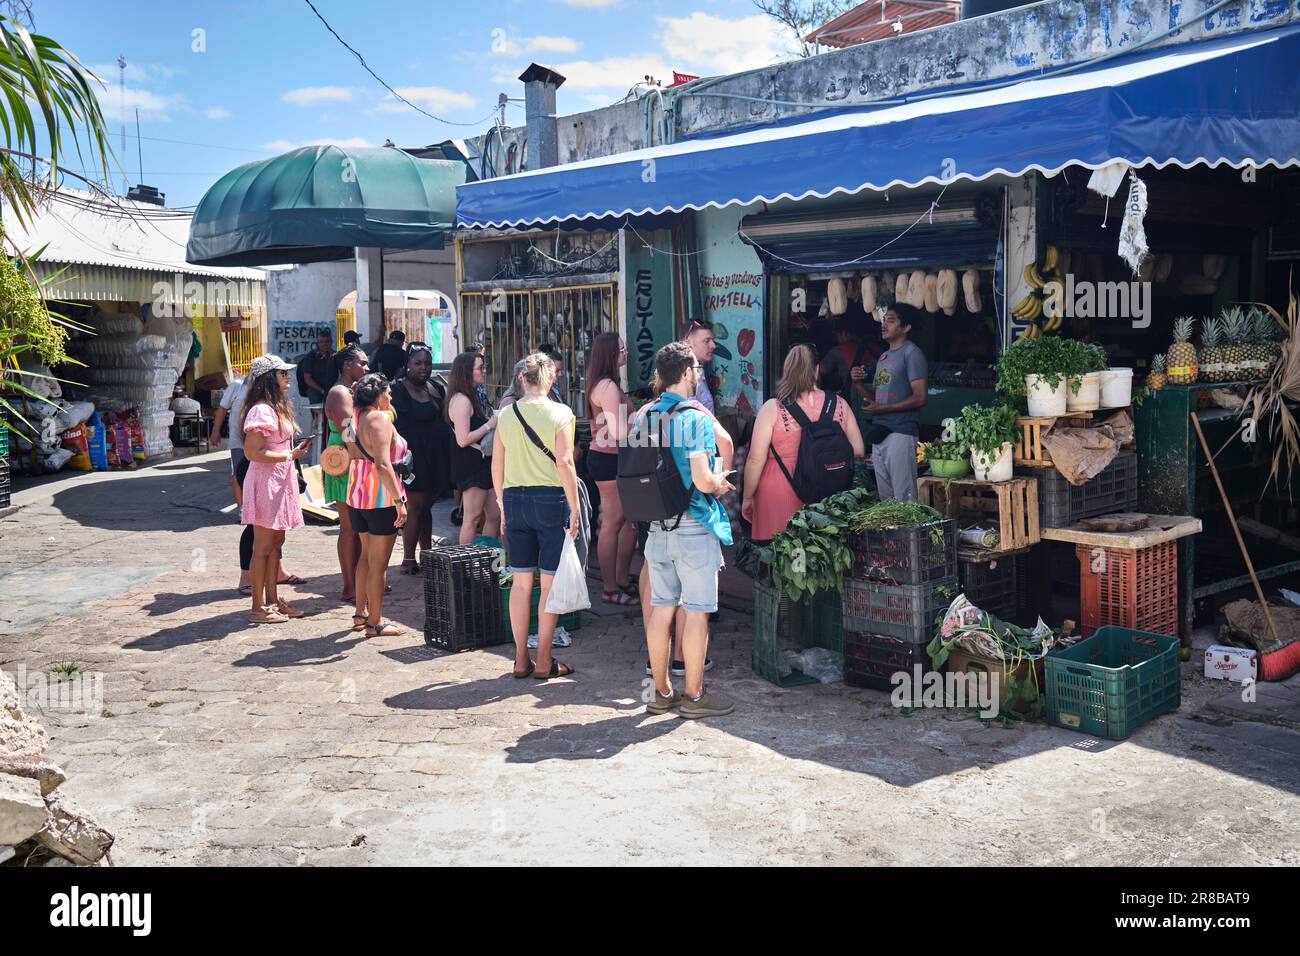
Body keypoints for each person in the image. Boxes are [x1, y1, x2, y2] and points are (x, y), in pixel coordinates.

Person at [643, 342, 735, 719]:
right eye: (696, 368)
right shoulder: (694, 417)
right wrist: (719, 483)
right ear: (685, 373)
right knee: (696, 613)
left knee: (661, 609)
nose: (699, 373)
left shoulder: (642, 416)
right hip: (693, 527)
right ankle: (694, 696)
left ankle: (660, 692)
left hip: (656, 528)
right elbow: (700, 478)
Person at [492, 351, 579, 681]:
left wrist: (502, 505)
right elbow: (565, 463)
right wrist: (575, 508)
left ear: (520, 379)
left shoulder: (506, 414)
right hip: (550, 499)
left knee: (521, 583)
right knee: (549, 583)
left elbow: (496, 466)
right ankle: (544, 659)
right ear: (551, 378)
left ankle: (520, 658)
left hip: (514, 498)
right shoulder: (562, 412)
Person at [742, 344, 866, 541]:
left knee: (783, 558)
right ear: (817, 370)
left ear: (787, 370)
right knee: (821, 558)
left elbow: (755, 459)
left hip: (780, 488)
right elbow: (858, 450)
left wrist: (747, 497)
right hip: (827, 489)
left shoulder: (772, 408)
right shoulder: (840, 404)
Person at [239, 355, 311, 624]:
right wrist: (287, 456)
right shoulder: (261, 410)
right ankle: (258, 607)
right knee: (263, 546)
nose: (288, 377)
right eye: (282, 373)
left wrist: (290, 455)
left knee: (275, 544)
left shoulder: (275, 407)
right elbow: (252, 452)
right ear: (270, 377)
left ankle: (272, 600)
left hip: (280, 479)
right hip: (267, 481)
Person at [344, 373, 409, 638]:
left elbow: (353, 452)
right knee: (379, 564)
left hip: (356, 494)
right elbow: (383, 464)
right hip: (380, 497)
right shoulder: (379, 419)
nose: (391, 396)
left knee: (365, 558)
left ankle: (360, 614)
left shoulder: (351, 420)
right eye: (388, 392)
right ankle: (375, 622)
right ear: (379, 394)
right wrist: (399, 501)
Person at [584, 332, 638, 605]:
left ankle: (621, 578)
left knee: (626, 521)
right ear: (609, 354)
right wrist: (644, 427)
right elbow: (618, 431)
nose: (625, 353)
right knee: (613, 521)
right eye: (621, 349)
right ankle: (609, 588)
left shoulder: (605, 384)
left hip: (614, 457)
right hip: (608, 458)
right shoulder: (606, 387)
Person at [392, 343, 453, 573]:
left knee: (427, 507)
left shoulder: (436, 386)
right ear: (407, 365)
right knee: (415, 507)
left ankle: (426, 553)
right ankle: (408, 558)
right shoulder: (397, 390)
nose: (423, 368)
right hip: (413, 459)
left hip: (436, 457)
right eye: (418, 363)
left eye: (427, 363)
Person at [864, 303, 929, 502]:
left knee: (904, 497)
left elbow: (920, 397)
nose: (884, 325)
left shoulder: (912, 353)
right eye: (884, 320)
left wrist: (883, 408)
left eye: (890, 321)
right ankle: (891, 534)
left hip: (900, 433)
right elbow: (876, 398)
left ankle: (909, 534)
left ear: (906, 327)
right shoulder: (883, 357)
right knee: (886, 499)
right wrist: (857, 382)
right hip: (880, 433)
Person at [325, 345, 370, 603]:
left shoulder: (353, 390)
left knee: (360, 525)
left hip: (355, 459)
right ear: (346, 366)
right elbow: (347, 432)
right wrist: (366, 458)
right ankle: (350, 586)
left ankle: (362, 581)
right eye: (362, 363)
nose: (366, 368)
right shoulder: (340, 392)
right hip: (345, 461)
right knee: (350, 527)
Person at [446, 351, 501, 545]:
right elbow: (463, 439)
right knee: (472, 518)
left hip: (485, 463)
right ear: (467, 372)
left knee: (494, 515)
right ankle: (465, 563)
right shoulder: (461, 400)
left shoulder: (474, 395)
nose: (484, 371)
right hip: (470, 465)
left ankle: (487, 555)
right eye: (480, 368)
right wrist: (490, 425)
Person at [818, 319, 877, 409]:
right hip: (876, 396)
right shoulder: (873, 349)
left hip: (854, 397)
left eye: (837, 335)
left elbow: (820, 371)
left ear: (844, 333)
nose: (836, 339)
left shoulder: (838, 351)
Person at [683, 320, 717, 413]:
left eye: (713, 340)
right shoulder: (684, 377)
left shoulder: (697, 370)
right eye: (707, 341)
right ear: (688, 342)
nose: (713, 346)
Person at [298, 330, 336, 405]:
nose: (324, 344)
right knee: (317, 411)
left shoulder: (335, 356)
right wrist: (322, 391)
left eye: (327, 341)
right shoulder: (311, 356)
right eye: (321, 342)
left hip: (332, 389)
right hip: (315, 388)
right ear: (318, 343)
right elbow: (307, 379)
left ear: (331, 342)